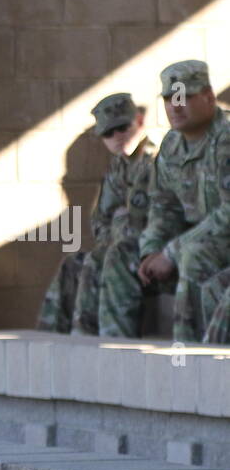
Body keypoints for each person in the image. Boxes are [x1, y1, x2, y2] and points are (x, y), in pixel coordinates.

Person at [99, 60, 230, 343]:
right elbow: (162, 207)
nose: (175, 106)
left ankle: (189, 359)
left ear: (208, 97)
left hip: (219, 246)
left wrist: (171, 252)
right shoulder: (171, 145)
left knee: (194, 254)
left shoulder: (226, 139)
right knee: (123, 252)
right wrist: (151, 251)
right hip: (188, 245)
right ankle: (116, 353)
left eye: (185, 97)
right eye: (169, 99)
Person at [38, 93, 156, 335]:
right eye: (107, 133)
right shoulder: (117, 167)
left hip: (146, 252)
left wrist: (121, 222)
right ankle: (53, 337)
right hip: (116, 248)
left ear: (140, 122)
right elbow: (100, 219)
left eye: (122, 128)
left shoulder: (155, 161)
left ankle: (93, 338)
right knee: (73, 262)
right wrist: (114, 231)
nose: (116, 137)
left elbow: (151, 218)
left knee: (99, 259)